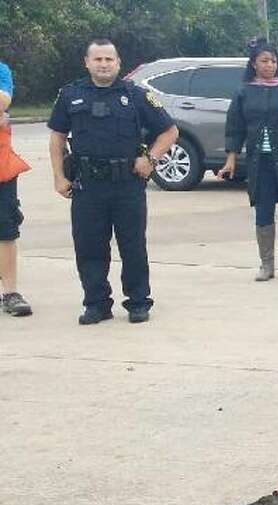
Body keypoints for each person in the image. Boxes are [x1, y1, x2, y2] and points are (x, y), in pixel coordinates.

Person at [48, 39, 178, 325]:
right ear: (87, 62)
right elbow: (57, 137)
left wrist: (151, 158)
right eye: (98, 59)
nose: (104, 64)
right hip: (87, 186)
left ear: (119, 63)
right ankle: (96, 304)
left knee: (132, 246)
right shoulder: (70, 95)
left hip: (127, 184)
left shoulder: (136, 95)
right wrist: (58, 176)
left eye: (109, 59)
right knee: (89, 247)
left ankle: (138, 302)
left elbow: (169, 131)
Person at [219, 39, 278, 283]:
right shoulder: (244, 92)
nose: (270, 65)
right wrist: (231, 158)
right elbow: (235, 127)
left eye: (273, 61)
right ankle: (267, 264)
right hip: (259, 163)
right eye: (264, 60)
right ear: (254, 63)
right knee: (263, 213)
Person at [0, 57, 33, 317]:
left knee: (6, 229)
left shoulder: (1, 71)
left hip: (2, 170)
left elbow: (3, 101)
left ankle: (10, 293)